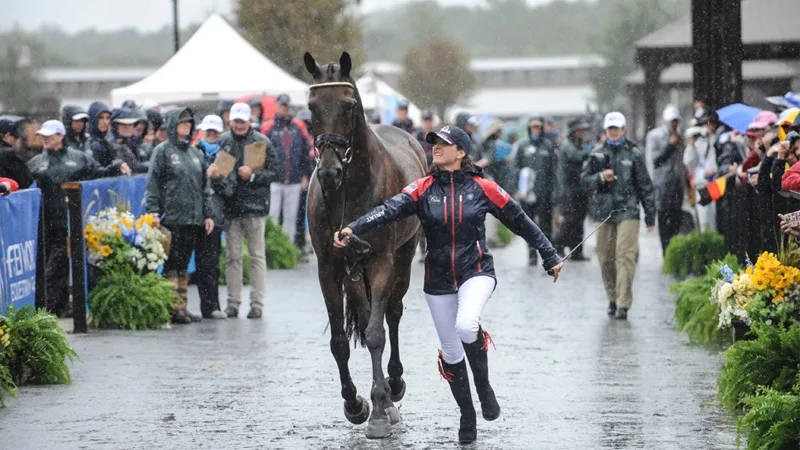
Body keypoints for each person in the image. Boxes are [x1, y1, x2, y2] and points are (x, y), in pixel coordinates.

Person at [333, 125, 564, 445]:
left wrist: (549, 254)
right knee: (452, 353)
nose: (436, 148)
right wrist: (353, 228)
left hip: (476, 272)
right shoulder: (422, 187)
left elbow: (519, 219)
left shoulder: (483, 186)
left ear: (462, 152)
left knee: (467, 324)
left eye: (444, 143)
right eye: (435, 143)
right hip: (438, 281)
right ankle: (467, 415)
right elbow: (387, 211)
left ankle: (483, 388)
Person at [28, 120, 131, 317]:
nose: (45, 139)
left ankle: (54, 306)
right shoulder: (34, 163)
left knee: (59, 265)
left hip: (72, 221)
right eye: (43, 135)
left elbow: (98, 173)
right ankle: (53, 306)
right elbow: (19, 181)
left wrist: (116, 165)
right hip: (44, 223)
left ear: (60, 136)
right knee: (50, 266)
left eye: (49, 135)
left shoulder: (79, 158)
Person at [581, 112, 656, 320]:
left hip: (628, 211)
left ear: (624, 129)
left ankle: (624, 303)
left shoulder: (633, 153)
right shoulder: (596, 154)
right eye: (610, 129)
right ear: (605, 131)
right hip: (603, 211)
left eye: (617, 128)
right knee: (605, 257)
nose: (613, 132)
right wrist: (599, 177)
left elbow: (645, 186)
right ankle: (612, 298)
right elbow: (584, 180)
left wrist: (650, 215)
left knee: (625, 256)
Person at [144, 108, 214, 324]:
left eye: (189, 122)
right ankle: (171, 307)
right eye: (182, 122)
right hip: (172, 217)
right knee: (172, 263)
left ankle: (181, 305)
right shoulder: (163, 151)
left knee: (184, 263)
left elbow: (205, 187)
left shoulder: (196, 153)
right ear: (173, 124)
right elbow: (153, 183)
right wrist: (153, 211)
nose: (186, 125)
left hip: (193, 218)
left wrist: (208, 214)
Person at [208, 102, 276, 319]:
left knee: (257, 257)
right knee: (233, 257)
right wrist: (217, 177)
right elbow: (221, 178)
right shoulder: (225, 142)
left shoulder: (261, 142)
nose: (238, 125)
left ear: (249, 121)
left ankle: (257, 304)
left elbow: (274, 172)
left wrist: (254, 175)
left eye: (242, 121)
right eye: (235, 121)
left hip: (256, 208)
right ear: (230, 122)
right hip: (231, 208)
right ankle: (233, 303)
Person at [261, 94, 312, 241]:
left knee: (291, 216)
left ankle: (287, 246)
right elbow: (260, 153)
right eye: (282, 105)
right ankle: (271, 246)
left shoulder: (298, 126)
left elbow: (306, 151)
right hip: (274, 179)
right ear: (276, 106)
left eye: (287, 106)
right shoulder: (267, 126)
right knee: (273, 214)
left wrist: (304, 175)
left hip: (294, 179)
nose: (285, 108)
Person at [195, 114, 228, 320]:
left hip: (214, 215)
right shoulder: (194, 152)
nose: (211, 135)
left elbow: (229, 189)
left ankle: (212, 306)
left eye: (215, 131)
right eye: (208, 131)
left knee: (211, 263)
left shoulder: (225, 157)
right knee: (194, 264)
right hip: (194, 213)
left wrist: (217, 179)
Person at [513, 117, 557, 265]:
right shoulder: (522, 146)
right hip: (526, 193)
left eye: (538, 127)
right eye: (533, 127)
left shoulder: (547, 146)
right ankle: (531, 255)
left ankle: (548, 255)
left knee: (545, 225)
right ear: (529, 128)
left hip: (544, 192)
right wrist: (515, 190)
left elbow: (554, 170)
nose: (536, 130)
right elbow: (515, 168)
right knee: (528, 225)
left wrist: (554, 191)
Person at [646, 104, 685, 255]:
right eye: (671, 121)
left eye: (676, 121)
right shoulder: (655, 136)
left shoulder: (680, 136)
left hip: (677, 184)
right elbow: (654, 161)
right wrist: (669, 146)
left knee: (676, 217)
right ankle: (665, 250)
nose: (674, 124)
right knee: (663, 217)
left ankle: (674, 251)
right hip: (662, 184)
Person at [553, 117, 593, 261]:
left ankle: (577, 251)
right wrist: (592, 151)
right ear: (573, 132)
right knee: (569, 221)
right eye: (580, 130)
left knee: (579, 222)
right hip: (568, 190)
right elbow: (577, 156)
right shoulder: (567, 145)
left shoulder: (579, 144)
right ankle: (556, 245)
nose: (582, 133)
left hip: (580, 190)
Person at [0, 119, 34, 189]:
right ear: (7, 135)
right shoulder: (7, 154)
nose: (14, 140)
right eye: (15, 137)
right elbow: (26, 180)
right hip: (8, 195)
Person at [86, 101, 117, 168]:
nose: (105, 122)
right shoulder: (87, 142)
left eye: (108, 118)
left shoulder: (106, 142)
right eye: (101, 117)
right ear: (93, 119)